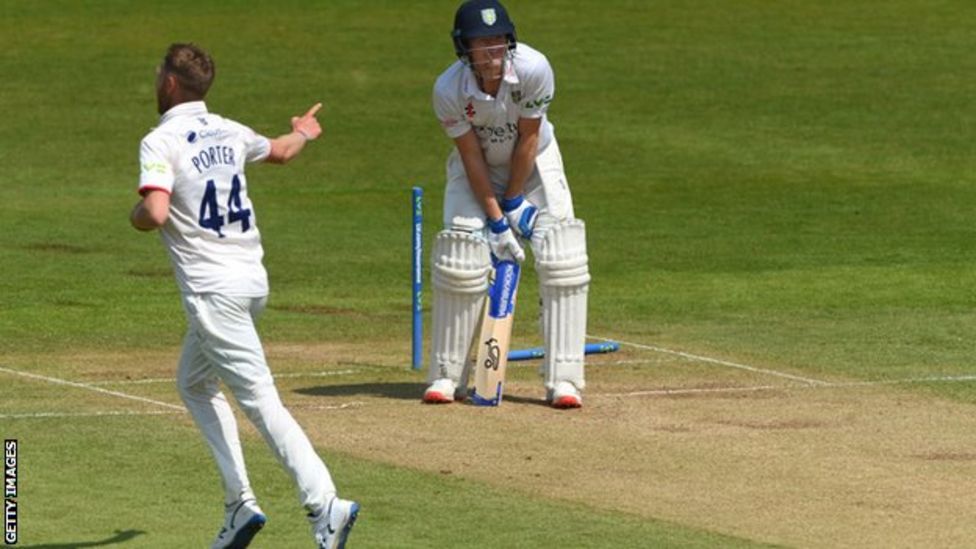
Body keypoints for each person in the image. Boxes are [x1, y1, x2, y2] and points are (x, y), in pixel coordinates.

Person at [129, 43, 358, 549]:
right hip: (252, 282)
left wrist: (136, 215)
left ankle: (326, 506)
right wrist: (303, 132)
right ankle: (239, 505)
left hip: (213, 292)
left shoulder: (159, 140)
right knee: (193, 382)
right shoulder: (228, 130)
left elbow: (157, 212)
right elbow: (278, 151)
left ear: (169, 83)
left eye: (157, 74)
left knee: (260, 400)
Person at [425, 0, 591, 409]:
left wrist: (515, 199)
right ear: (464, 49)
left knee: (562, 255)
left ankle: (564, 380)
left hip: (534, 165)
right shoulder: (448, 90)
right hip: (477, 170)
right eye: (482, 45)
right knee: (461, 255)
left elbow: (529, 140)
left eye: (498, 42)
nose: (492, 53)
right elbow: (471, 156)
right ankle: (447, 376)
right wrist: (497, 221)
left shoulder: (534, 68)